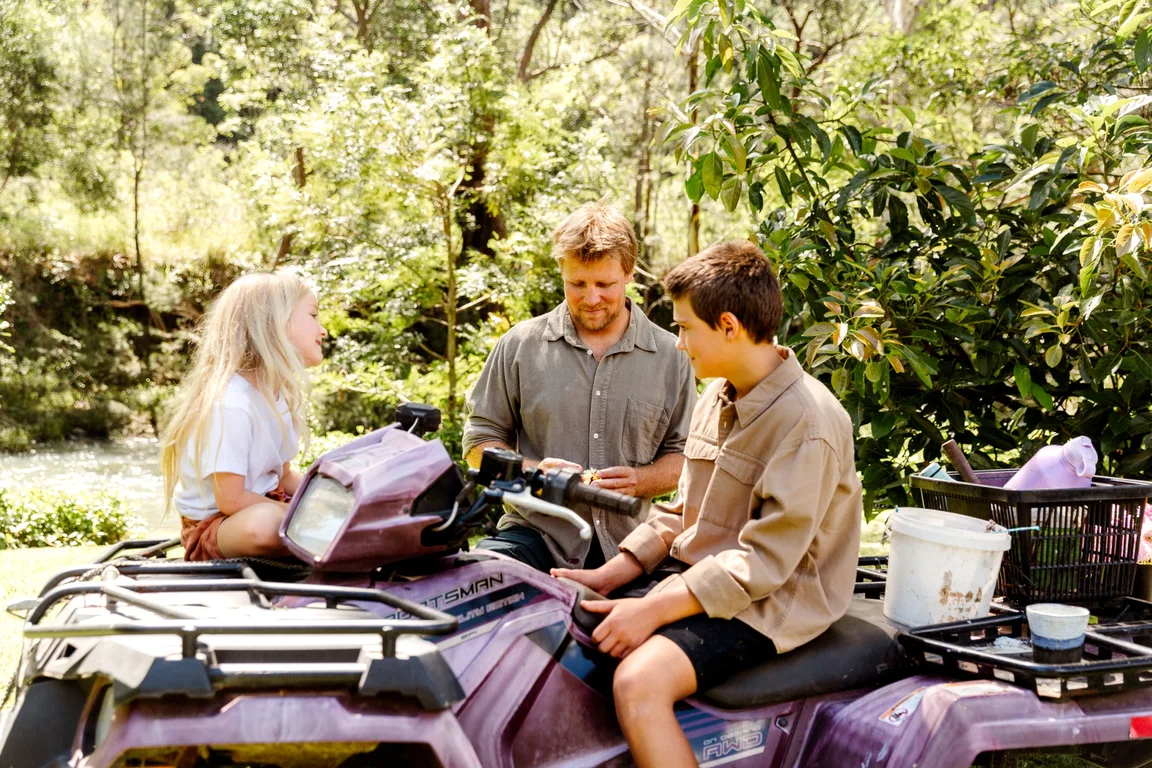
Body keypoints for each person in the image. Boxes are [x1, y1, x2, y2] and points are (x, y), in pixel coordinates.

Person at [553, 241, 863, 768]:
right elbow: (686, 512)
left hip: (772, 604)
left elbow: (764, 564)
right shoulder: (719, 395)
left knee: (639, 682)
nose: (678, 344)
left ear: (728, 326)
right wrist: (608, 575)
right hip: (700, 579)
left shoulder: (808, 422)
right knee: (571, 636)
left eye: (684, 328)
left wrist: (651, 608)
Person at [463, 202, 696, 572]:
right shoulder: (520, 345)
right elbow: (478, 444)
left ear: (629, 273)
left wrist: (640, 481)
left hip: (630, 546)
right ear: (562, 271)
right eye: (577, 284)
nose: (591, 298)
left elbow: (687, 458)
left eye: (604, 284)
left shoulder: (673, 356)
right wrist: (532, 471)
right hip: (532, 536)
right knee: (477, 577)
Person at [160, 272, 328, 561]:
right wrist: (301, 514)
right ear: (275, 324)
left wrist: (327, 498)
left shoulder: (278, 395)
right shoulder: (231, 403)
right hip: (218, 526)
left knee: (336, 502)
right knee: (264, 525)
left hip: (267, 502)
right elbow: (231, 499)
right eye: (313, 315)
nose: (322, 330)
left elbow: (284, 475)